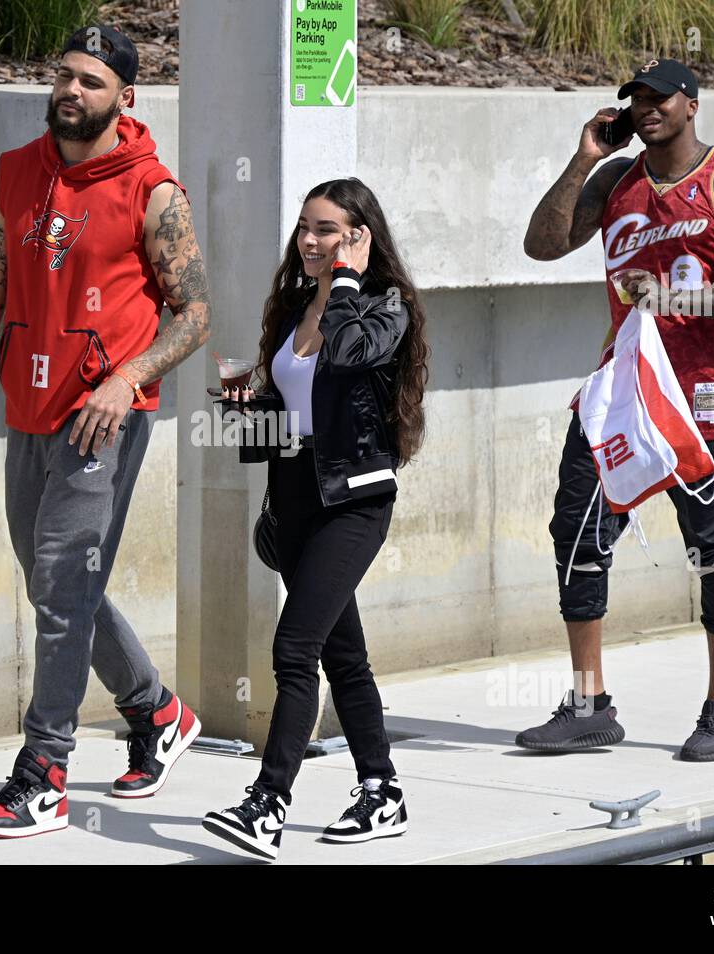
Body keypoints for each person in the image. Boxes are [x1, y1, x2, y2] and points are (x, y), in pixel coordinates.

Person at [0, 25, 211, 838]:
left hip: (101, 417)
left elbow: (196, 314)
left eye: (92, 82)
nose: (72, 91)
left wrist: (126, 377)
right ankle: (156, 711)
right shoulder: (17, 172)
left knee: (63, 591)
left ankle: (44, 773)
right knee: (58, 584)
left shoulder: (153, 191)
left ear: (125, 99)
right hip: (26, 408)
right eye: (65, 75)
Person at [520, 59, 714, 761]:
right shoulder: (615, 181)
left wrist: (673, 298)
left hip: (705, 394)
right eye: (635, 100)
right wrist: (585, 158)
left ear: (691, 103)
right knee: (575, 527)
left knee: (712, 544)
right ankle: (588, 705)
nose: (646, 110)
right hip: (623, 389)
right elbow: (541, 245)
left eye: (659, 98)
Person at [201, 178, 430, 860]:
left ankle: (267, 804)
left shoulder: (385, 306)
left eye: (326, 229)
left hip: (353, 499)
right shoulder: (297, 303)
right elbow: (293, 410)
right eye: (305, 227)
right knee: (342, 654)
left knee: (294, 648)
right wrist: (248, 406)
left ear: (359, 236)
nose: (308, 240)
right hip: (296, 493)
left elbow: (354, 353)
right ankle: (382, 791)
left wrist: (349, 282)